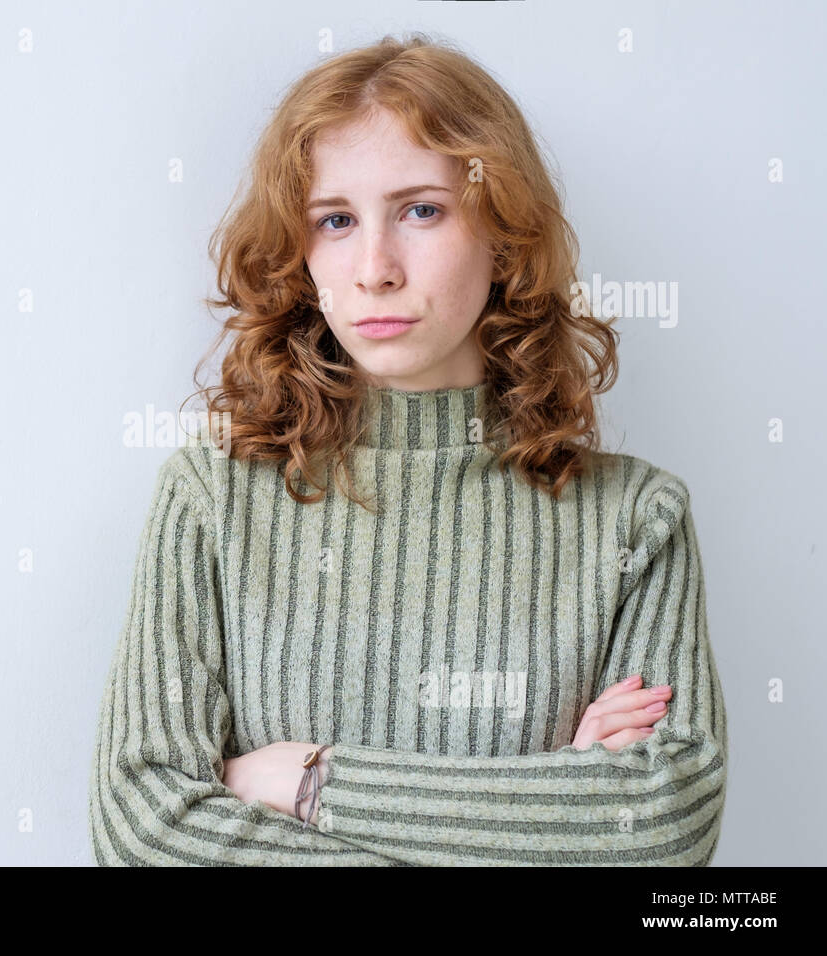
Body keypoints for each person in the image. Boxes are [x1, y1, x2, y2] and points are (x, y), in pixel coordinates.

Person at [88, 33, 727, 866]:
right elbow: (146, 829)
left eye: (421, 210)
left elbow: (662, 825)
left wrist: (314, 783)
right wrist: (539, 817)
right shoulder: (211, 499)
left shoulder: (637, 519)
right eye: (336, 220)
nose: (376, 268)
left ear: (502, 233)